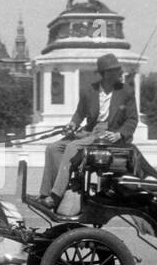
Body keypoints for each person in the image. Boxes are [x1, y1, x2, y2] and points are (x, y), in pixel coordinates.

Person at [38, 53, 137, 211]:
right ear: (104, 74)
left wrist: (119, 134)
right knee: (53, 148)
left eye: (118, 70)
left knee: (73, 147)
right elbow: (79, 114)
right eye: (114, 70)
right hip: (91, 132)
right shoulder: (89, 91)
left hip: (108, 135)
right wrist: (73, 124)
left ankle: (56, 196)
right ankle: (48, 192)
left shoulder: (126, 92)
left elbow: (132, 119)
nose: (119, 73)